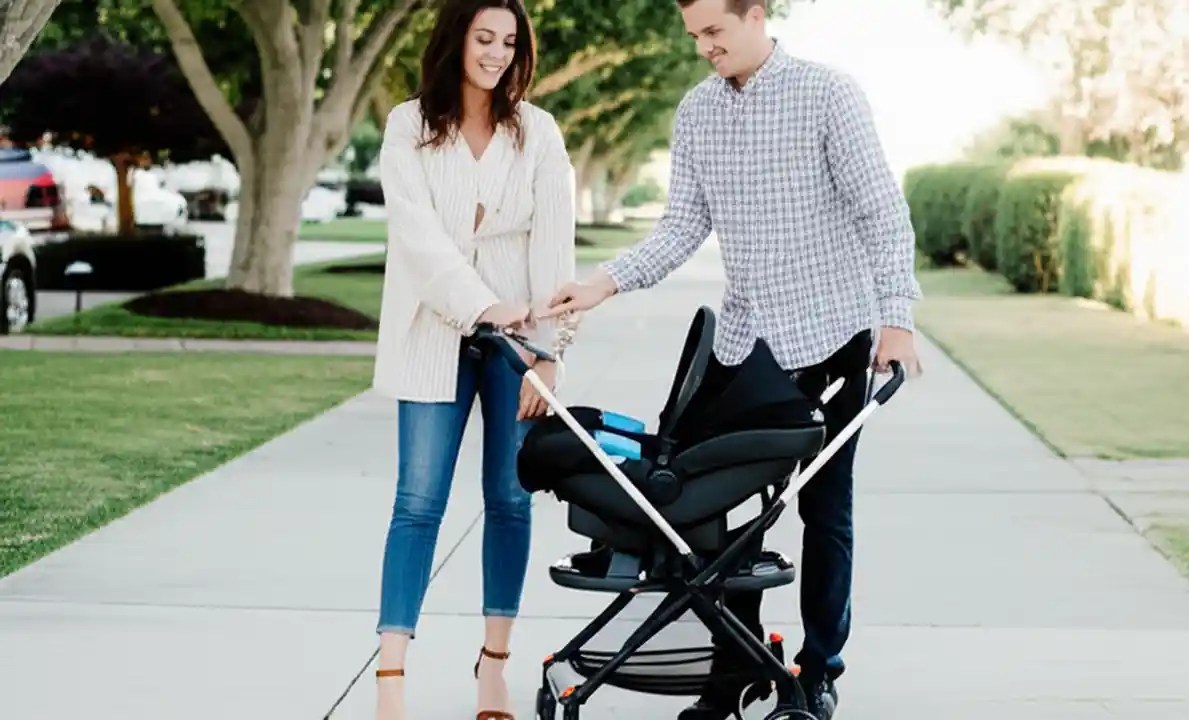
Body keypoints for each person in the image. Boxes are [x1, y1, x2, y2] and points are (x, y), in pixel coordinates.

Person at [540, 0, 922, 717]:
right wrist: (601, 284)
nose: (703, 48)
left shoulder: (827, 95)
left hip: (835, 336)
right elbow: (682, 224)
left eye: (713, 32)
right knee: (710, 511)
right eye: (694, 36)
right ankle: (734, 671)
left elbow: (881, 211)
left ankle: (817, 671)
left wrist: (896, 320)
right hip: (748, 344)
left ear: (756, 15)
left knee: (824, 511)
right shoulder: (697, 112)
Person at [369, 0, 577, 718]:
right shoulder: (409, 125)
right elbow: (417, 236)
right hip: (436, 327)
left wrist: (547, 355)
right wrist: (484, 305)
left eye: (508, 41)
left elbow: (554, 246)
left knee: (511, 500)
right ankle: (390, 680)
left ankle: (494, 666)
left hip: (520, 341)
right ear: (456, 39)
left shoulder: (538, 131)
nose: (495, 52)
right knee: (417, 502)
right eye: (484, 38)